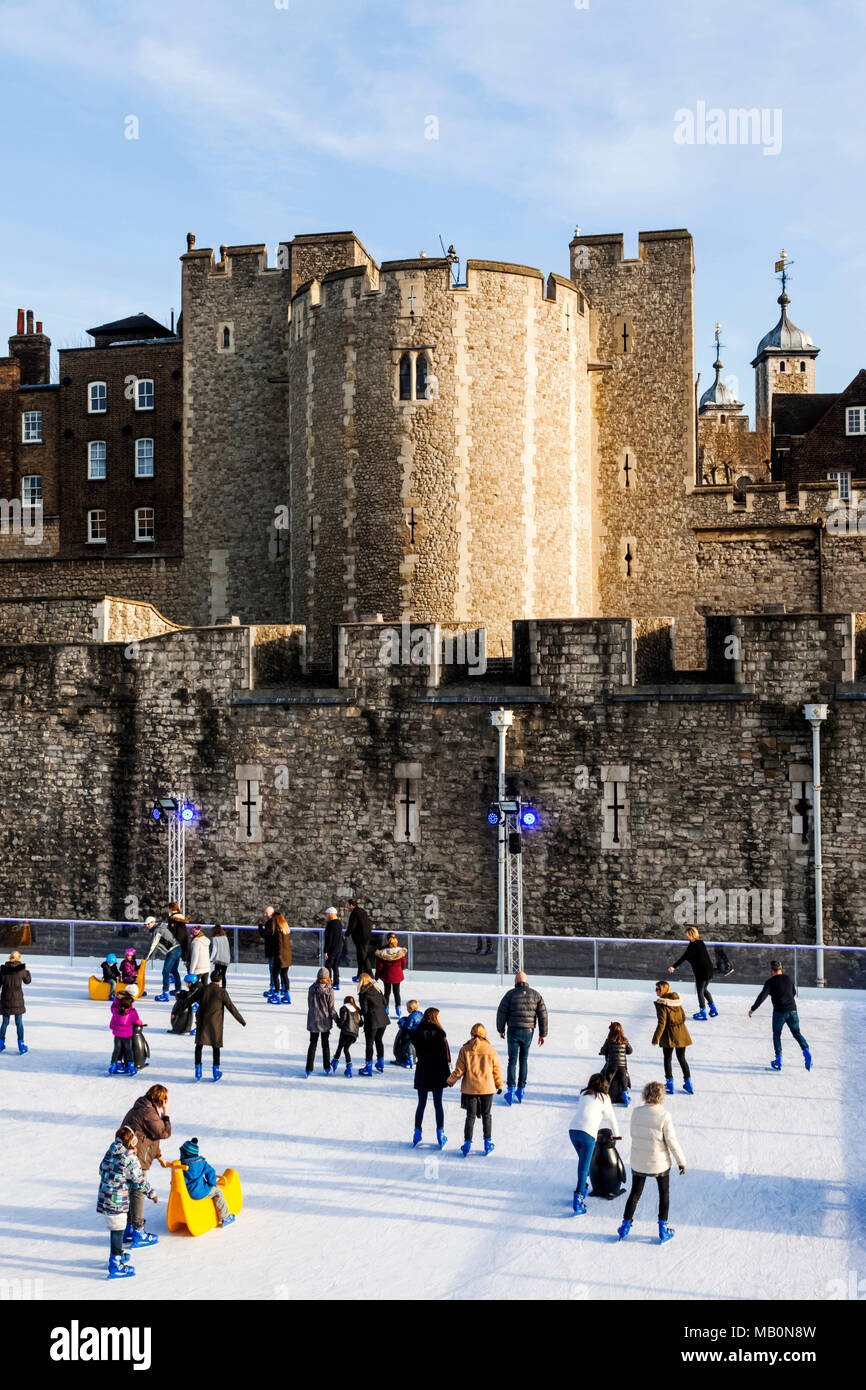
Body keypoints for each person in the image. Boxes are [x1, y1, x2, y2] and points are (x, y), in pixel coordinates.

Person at [617, 1080, 686, 1244]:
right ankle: (663, 1228)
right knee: (664, 1194)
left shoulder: (636, 1112)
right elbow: (671, 1141)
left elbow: (634, 1133)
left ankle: (625, 1225)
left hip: (639, 1161)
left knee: (635, 1194)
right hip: (659, 1163)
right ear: (661, 1096)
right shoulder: (664, 1115)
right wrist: (681, 1161)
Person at [97, 1126, 158, 1279]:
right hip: (117, 1199)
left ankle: (118, 1252)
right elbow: (139, 1180)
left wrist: (118, 1179)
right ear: (131, 1141)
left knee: (116, 1227)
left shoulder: (111, 1151)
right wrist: (152, 1193)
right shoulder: (129, 1157)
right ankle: (115, 1263)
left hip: (105, 1196)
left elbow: (102, 1169)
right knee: (117, 1229)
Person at [120, 1083, 171, 1247]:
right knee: (138, 1192)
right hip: (137, 1158)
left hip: (128, 1156)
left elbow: (149, 1137)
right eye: (165, 1099)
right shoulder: (148, 1111)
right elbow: (163, 1133)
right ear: (161, 1098)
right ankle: (138, 1231)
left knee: (131, 1191)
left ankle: (128, 1229)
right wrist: (166, 1112)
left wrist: (159, 1156)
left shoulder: (142, 1107)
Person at [446, 1022, 503, 1157]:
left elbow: (459, 1070)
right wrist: (499, 1085)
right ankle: (487, 1143)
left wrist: (450, 1081)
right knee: (486, 1115)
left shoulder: (465, 1049)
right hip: (487, 1088)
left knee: (470, 1116)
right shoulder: (490, 1050)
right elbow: (496, 1070)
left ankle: (467, 1144)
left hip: (470, 1088)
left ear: (471, 1033)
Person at [568, 1073, 621, 1214]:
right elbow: (612, 1119)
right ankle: (578, 1200)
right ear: (604, 1085)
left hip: (573, 1131)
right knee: (584, 1167)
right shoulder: (605, 1098)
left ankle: (584, 1186)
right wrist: (616, 1136)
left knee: (585, 1162)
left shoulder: (584, 1093)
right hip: (587, 1134)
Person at [495, 970, 548, 1104]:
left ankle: (511, 1089)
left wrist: (500, 1030)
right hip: (528, 1031)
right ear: (527, 981)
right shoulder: (535, 995)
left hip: (513, 1030)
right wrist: (543, 1034)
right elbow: (543, 1015)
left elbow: (501, 1012)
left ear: (516, 981)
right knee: (523, 1060)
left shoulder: (510, 994)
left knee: (512, 1060)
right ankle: (521, 1089)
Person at [749, 960, 812, 1071]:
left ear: (771, 971)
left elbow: (762, 996)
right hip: (793, 1010)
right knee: (796, 1033)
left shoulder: (770, 982)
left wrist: (753, 1008)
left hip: (779, 1012)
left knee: (777, 1034)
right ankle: (806, 1050)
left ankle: (778, 1060)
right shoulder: (788, 978)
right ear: (780, 969)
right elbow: (793, 993)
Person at [188, 978, 246, 1081]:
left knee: (199, 1046)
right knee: (216, 1047)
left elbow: (190, 1000)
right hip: (215, 1024)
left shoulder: (203, 989)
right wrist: (241, 1021)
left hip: (202, 1023)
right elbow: (231, 1007)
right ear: (219, 980)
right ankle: (215, 1072)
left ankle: (198, 1071)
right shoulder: (222, 992)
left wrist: (177, 1011)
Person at [412, 1007, 451, 1149]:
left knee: (421, 1104)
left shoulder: (417, 1033)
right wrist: (448, 1076)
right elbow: (443, 1058)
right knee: (438, 1104)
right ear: (435, 1017)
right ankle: (440, 1134)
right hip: (437, 1073)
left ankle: (417, 1132)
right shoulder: (440, 1034)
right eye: (438, 1016)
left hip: (422, 1071)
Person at [178, 1137, 235, 1228]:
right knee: (217, 1192)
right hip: (200, 1192)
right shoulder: (202, 1163)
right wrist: (212, 1184)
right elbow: (211, 1172)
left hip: (187, 1193)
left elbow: (178, 1180)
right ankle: (226, 1217)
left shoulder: (180, 1166)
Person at [653, 979, 694, 1094]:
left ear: (664, 989)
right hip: (682, 1033)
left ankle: (670, 1084)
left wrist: (656, 1038)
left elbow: (662, 1023)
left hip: (668, 1034)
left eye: (658, 989)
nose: (656, 991)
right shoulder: (677, 1001)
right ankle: (688, 1083)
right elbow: (684, 1016)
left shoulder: (662, 1003)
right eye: (656, 989)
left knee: (667, 1058)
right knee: (681, 1058)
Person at [668, 926, 718, 1020]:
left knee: (700, 991)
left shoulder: (693, 945)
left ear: (691, 935)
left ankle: (702, 1012)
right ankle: (713, 1008)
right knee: (704, 990)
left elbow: (684, 957)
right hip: (709, 970)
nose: (687, 937)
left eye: (688, 935)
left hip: (702, 972)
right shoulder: (700, 942)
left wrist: (673, 966)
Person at [306, 967, 337, 1075]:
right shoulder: (329, 990)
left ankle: (309, 1068)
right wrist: (338, 1020)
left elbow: (310, 1004)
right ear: (327, 977)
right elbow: (331, 1008)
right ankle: (326, 1067)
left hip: (313, 1020)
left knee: (313, 1044)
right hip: (325, 1021)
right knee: (325, 1044)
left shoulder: (311, 988)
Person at [357, 972, 390, 1075]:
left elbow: (365, 1010)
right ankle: (380, 1063)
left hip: (372, 1021)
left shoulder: (363, 993)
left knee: (369, 1043)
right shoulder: (377, 989)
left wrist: (357, 1012)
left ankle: (368, 1067)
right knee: (379, 1040)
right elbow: (385, 1003)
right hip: (383, 1020)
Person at [0, 949, 31, 1054]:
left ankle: (0, 1044)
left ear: (10, 958)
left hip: (5, 999)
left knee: (5, 1022)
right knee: (19, 1023)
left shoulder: (3, 970)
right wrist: (27, 971)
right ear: (19, 958)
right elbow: (28, 981)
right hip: (17, 1000)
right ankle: (21, 1045)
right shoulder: (21, 969)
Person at [145, 916, 182, 1001]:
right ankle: (178, 989)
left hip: (172, 951)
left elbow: (153, 945)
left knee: (165, 971)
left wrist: (147, 957)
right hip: (178, 948)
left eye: (148, 924)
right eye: (146, 924)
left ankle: (165, 993)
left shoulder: (157, 930)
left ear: (153, 922)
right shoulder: (160, 928)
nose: (147, 926)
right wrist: (150, 957)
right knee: (174, 970)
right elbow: (157, 946)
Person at [598, 1021, 633, 1105]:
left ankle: (605, 1095)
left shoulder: (609, 1040)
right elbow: (630, 1051)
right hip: (622, 1066)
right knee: (623, 1080)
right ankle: (625, 1094)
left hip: (612, 1065)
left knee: (608, 1080)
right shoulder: (625, 1040)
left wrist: (601, 1052)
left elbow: (603, 1050)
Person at [109, 992, 144, 1076]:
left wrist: (117, 999)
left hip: (117, 1034)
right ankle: (131, 1066)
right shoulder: (132, 1012)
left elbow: (112, 1006)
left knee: (116, 1050)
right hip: (127, 1035)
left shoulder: (116, 1010)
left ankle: (113, 1065)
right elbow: (137, 1021)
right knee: (128, 1050)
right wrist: (141, 1023)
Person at [375, 934, 407, 1016]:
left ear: (387, 940)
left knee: (387, 992)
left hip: (387, 975)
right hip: (397, 974)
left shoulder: (382, 951)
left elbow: (379, 966)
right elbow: (403, 962)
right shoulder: (400, 950)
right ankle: (398, 1008)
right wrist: (401, 969)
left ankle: (386, 1008)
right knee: (396, 992)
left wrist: (377, 976)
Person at [331, 994, 361, 1076]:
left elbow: (342, 1020)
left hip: (346, 1032)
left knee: (340, 1047)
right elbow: (361, 1023)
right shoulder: (356, 1009)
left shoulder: (344, 1008)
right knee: (346, 1049)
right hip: (354, 1034)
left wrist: (336, 1019)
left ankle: (335, 1061)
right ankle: (349, 1065)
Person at [346, 898, 374, 979]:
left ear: (351, 905)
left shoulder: (355, 913)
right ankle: (360, 974)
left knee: (363, 955)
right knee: (360, 956)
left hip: (360, 938)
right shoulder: (362, 911)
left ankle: (370, 975)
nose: (347, 907)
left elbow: (352, 926)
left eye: (348, 905)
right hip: (366, 936)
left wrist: (346, 935)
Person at [258, 905, 281, 998]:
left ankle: (274, 988)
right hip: (275, 950)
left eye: (266, 913)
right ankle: (278, 987)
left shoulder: (272, 922)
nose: (265, 914)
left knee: (273, 971)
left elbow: (264, 934)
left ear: (271, 913)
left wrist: (260, 925)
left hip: (272, 951)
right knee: (276, 971)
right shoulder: (274, 922)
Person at [393, 998, 422, 1067]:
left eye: (407, 1008)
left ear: (411, 1008)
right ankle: (412, 1059)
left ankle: (409, 1060)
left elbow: (408, 1027)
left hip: (411, 1034)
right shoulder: (420, 1014)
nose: (406, 1009)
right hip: (418, 1033)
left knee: (406, 1045)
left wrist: (402, 1023)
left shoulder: (412, 1016)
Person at [270, 912, 292, 1003]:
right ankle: (287, 993)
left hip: (279, 956)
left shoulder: (277, 931)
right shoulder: (286, 930)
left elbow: (277, 945)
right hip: (287, 956)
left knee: (275, 974)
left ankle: (277, 993)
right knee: (284, 975)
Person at [323, 908, 344, 991]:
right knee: (335, 966)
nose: (326, 916)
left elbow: (329, 939)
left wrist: (325, 951)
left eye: (327, 914)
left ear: (331, 914)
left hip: (332, 949)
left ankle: (329, 983)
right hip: (338, 947)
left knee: (328, 966)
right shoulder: (339, 923)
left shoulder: (331, 924)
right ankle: (336, 983)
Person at [167, 902, 191, 969]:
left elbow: (172, 931)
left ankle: (173, 976)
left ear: (171, 908)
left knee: (172, 962)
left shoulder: (172, 918)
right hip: (184, 940)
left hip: (175, 941)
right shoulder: (182, 917)